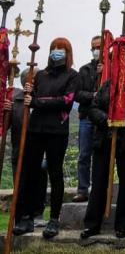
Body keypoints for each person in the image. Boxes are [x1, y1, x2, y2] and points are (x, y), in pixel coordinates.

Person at [80, 49, 125, 239]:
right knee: (99, 181)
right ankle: (92, 224)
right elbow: (94, 107)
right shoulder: (106, 85)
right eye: (112, 61)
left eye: (120, 61)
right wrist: (107, 119)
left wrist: (124, 100)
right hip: (105, 138)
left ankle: (122, 225)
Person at [13, 38, 79, 239]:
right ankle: (27, 217)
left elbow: (66, 101)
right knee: (30, 173)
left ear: (67, 53)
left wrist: (37, 101)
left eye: (61, 49)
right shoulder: (40, 75)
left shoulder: (72, 76)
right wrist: (28, 93)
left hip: (57, 131)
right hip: (35, 129)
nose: (56, 52)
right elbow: (31, 97)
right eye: (54, 49)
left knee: (55, 173)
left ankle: (54, 219)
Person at [7, 68, 48, 228]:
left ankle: (37, 214)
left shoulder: (42, 99)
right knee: (21, 184)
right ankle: (19, 219)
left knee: (39, 179)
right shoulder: (14, 101)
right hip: (20, 150)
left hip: (39, 150)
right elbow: (7, 125)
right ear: (26, 82)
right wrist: (5, 112)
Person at [72, 35, 102, 202]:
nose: (95, 50)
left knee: (101, 155)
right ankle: (83, 189)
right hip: (86, 116)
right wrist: (93, 95)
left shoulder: (110, 68)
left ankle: (99, 189)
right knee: (84, 154)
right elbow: (77, 94)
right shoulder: (84, 70)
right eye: (93, 47)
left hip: (103, 118)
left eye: (98, 47)